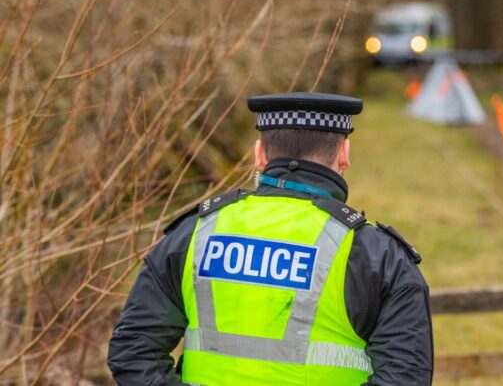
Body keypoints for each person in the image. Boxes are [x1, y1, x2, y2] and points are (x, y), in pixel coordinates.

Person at [107, 92, 433, 385]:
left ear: (259, 154)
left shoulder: (195, 233)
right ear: (344, 153)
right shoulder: (376, 254)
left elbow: (133, 351)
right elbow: (406, 374)